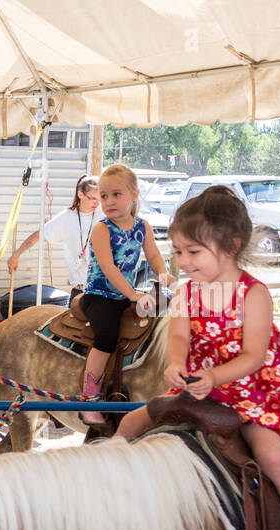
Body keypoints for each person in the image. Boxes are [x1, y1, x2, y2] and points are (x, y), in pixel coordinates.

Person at [116, 186, 280, 530]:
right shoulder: (187, 292)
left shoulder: (253, 294)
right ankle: (105, 488)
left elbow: (254, 356)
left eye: (193, 252)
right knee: (131, 421)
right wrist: (176, 364)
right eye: (178, 252)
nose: (183, 262)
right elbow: (178, 336)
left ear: (230, 247)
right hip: (202, 382)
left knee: (271, 456)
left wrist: (212, 376)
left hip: (254, 390)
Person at [78, 163, 173, 425]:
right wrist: (132, 294)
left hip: (126, 295)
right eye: (104, 196)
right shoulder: (102, 229)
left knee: (162, 320)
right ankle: (89, 398)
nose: (108, 201)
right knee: (106, 337)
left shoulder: (142, 226)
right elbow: (108, 267)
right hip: (100, 295)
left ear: (134, 195)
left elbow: (153, 254)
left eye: (116, 194)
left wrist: (163, 275)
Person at [6, 174, 102, 299]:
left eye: (100, 199)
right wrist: (16, 254)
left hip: (102, 288)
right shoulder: (67, 217)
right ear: (80, 194)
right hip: (80, 290)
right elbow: (39, 235)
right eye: (92, 198)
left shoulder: (104, 214)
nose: (97, 203)